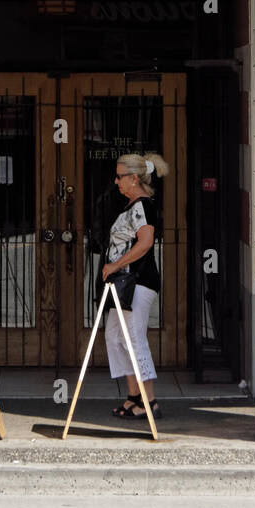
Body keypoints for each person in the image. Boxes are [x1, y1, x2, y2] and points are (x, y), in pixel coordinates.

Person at [101, 152, 169, 419]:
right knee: (115, 337)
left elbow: (145, 242)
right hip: (125, 284)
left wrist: (115, 266)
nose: (116, 181)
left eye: (119, 176)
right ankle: (134, 396)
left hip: (137, 281)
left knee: (133, 338)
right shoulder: (132, 206)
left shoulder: (142, 206)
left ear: (133, 178)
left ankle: (149, 401)